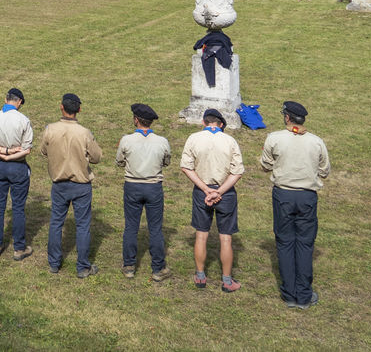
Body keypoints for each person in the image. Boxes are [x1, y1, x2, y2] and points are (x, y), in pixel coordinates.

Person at [259, 100, 331, 308]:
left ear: (287, 118)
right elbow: (325, 171)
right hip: (307, 196)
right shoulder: (316, 142)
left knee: (285, 242)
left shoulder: (274, 138)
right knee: (305, 243)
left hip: (283, 195)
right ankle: (304, 293)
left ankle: (289, 293)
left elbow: (265, 165)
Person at [180, 108, 245, 291]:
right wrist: (220, 191)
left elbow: (186, 167)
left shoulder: (194, 138)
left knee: (201, 235)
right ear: (221, 124)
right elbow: (237, 171)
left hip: (202, 191)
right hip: (226, 192)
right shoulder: (230, 140)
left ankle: (200, 276)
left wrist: (206, 189)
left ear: (203, 122)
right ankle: (226, 280)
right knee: (226, 239)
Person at [40, 92, 102, 277]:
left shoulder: (50, 129)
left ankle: (54, 263)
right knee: (83, 225)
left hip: (59, 183)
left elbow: (43, 151)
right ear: (79, 110)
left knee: (56, 223)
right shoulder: (84, 133)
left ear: (61, 107)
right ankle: (82, 267)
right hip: (81, 184)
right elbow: (97, 157)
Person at [117, 103, 172, 281]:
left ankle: (129, 266)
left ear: (136, 120)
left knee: (131, 226)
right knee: (155, 228)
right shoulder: (162, 141)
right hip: (154, 186)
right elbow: (166, 162)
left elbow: (119, 161)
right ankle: (157, 268)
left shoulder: (126, 140)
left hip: (132, 185)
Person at [0, 87, 34, 260]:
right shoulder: (23, 120)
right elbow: (26, 150)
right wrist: (11, 154)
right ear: (19, 102)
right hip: (17, 167)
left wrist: (2, 154)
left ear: (6, 99)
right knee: (18, 208)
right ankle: (19, 248)